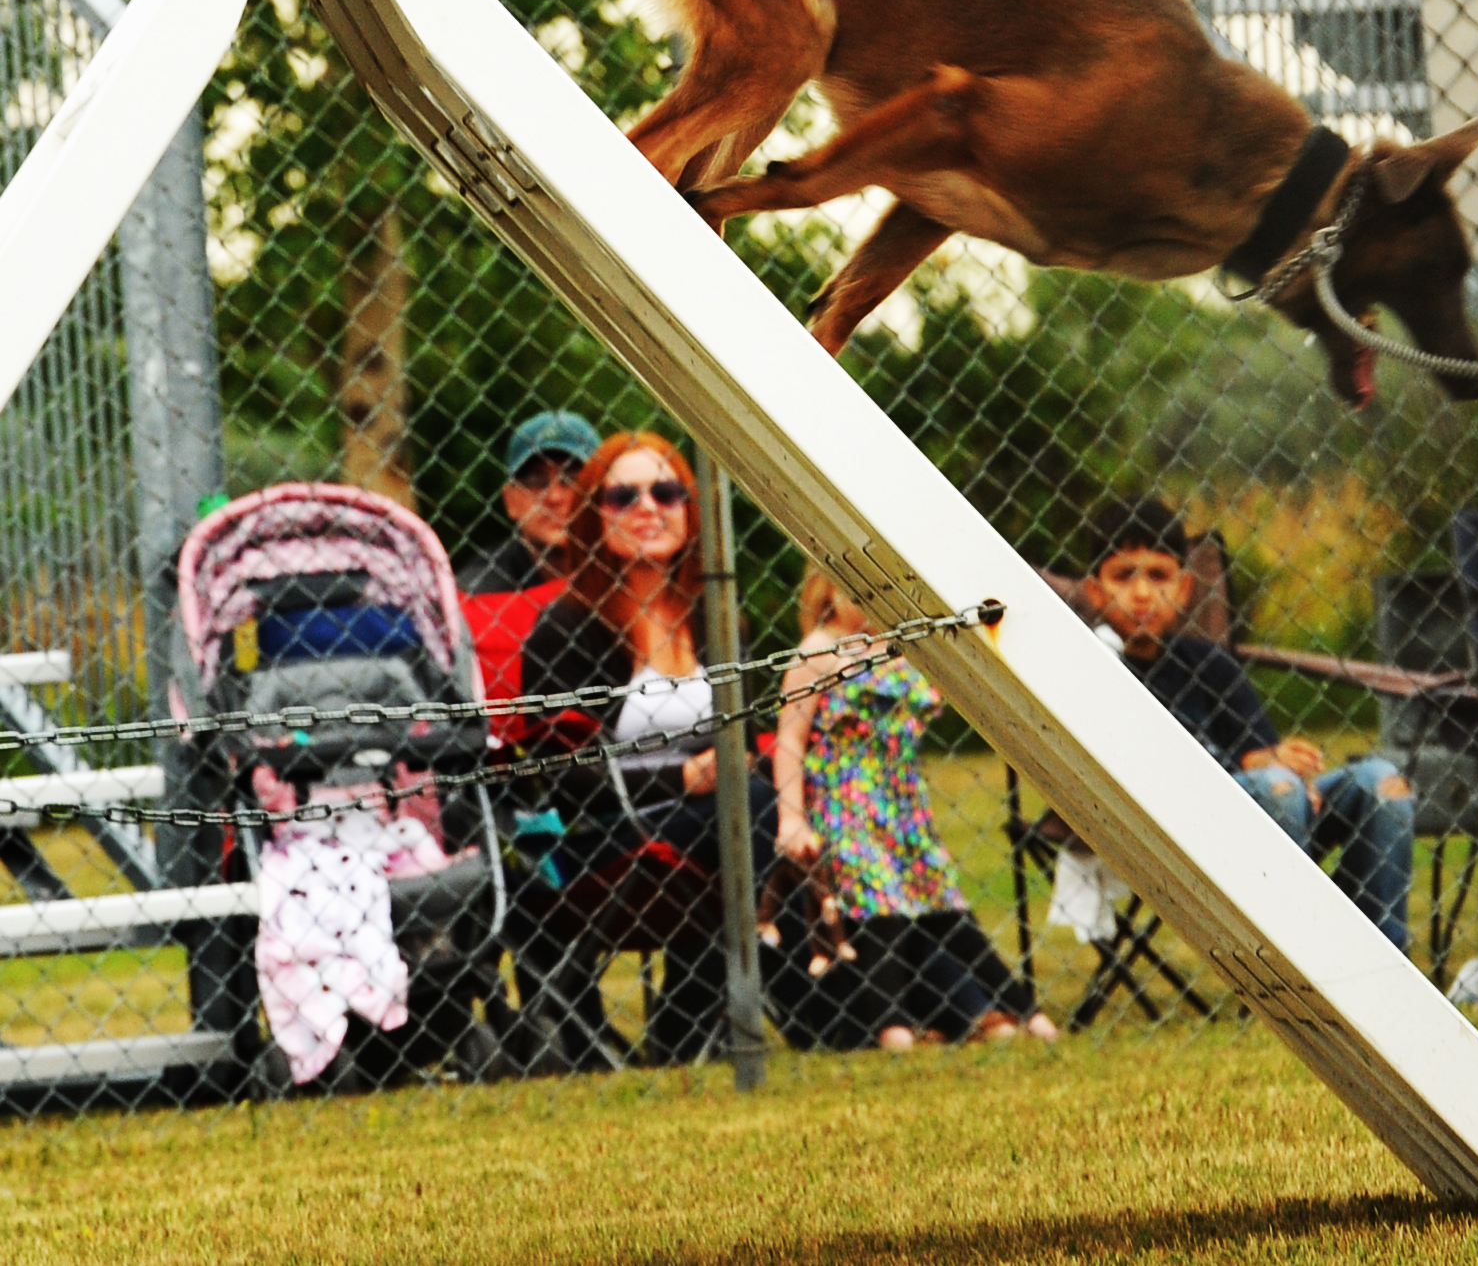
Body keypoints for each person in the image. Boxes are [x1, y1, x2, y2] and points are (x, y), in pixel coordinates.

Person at [516, 431, 773, 1065]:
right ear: (593, 515)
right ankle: (696, 1022)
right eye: (623, 496)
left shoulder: (717, 616)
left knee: (765, 799)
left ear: (689, 508)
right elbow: (561, 775)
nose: (647, 508)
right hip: (599, 833)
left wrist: (734, 767)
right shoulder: (567, 626)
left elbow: (748, 736)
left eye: (665, 491)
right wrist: (682, 781)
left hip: (715, 819)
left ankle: (700, 1016)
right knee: (753, 806)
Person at [1078, 499, 1416, 948]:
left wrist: (1279, 760)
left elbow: (1259, 756)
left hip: (1261, 816)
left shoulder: (1209, 663)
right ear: (1095, 591)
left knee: (1382, 783)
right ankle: (1303, 954)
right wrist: (1266, 772)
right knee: (1278, 788)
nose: (1142, 593)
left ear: (1184, 587)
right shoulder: (1093, 668)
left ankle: (1381, 955)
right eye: (1124, 576)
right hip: (1172, 831)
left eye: (1158, 576)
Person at [770, 567, 1055, 1049]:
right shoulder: (818, 652)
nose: (867, 603)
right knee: (881, 905)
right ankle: (892, 1026)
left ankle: (1026, 1011)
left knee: (943, 901)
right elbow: (790, 739)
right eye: (854, 589)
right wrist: (792, 816)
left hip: (903, 800)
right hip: (846, 798)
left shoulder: (908, 644)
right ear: (828, 589)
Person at [453, 410, 598, 597]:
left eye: (572, 479)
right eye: (536, 482)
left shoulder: (627, 569)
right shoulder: (480, 596)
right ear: (510, 500)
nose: (554, 497)